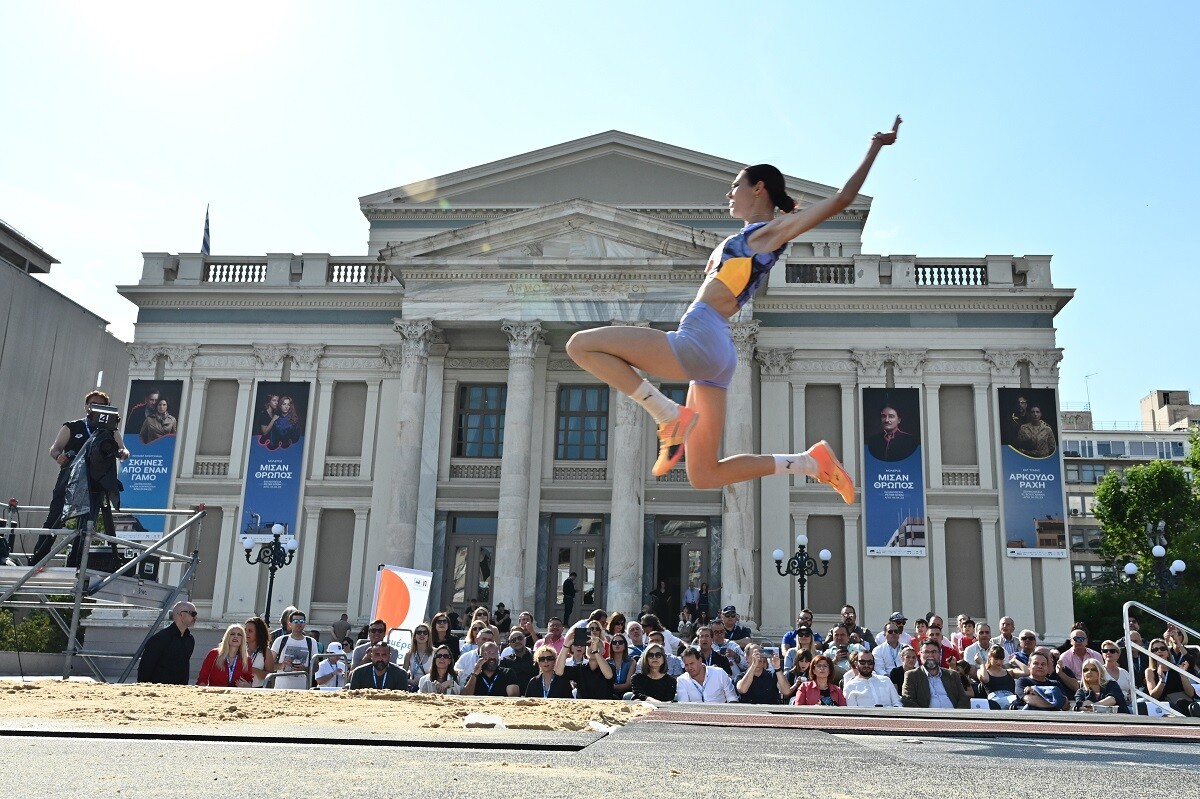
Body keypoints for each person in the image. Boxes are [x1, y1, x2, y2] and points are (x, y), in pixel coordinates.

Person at [564, 118, 901, 494]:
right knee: (704, 474)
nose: (729, 193)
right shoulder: (745, 237)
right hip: (718, 353)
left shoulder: (767, 232)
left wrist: (874, 147)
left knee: (580, 344)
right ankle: (807, 462)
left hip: (702, 336)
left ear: (758, 188)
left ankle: (667, 414)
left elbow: (841, 200)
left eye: (735, 185)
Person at [34, 389, 131, 565]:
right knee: (55, 517)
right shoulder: (72, 426)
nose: (96, 408)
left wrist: (123, 453)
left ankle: (76, 561)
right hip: (69, 480)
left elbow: (123, 449)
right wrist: (59, 457)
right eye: (93, 404)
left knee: (86, 524)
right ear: (86, 406)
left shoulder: (110, 431)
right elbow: (55, 448)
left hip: (96, 482)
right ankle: (38, 559)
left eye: (102, 405)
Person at [137, 601, 197, 684]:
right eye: (193, 614)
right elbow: (145, 668)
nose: (195, 617)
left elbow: (184, 667)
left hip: (180, 691)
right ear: (181, 614)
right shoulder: (160, 638)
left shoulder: (190, 639)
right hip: (158, 691)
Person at [901, 640, 970, 709]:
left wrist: (957, 716)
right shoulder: (912, 676)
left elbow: (963, 699)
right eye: (926, 652)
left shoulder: (952, 675)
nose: (930, 655)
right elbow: (908, 701)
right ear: (920, 655)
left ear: (939, 654)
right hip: (927, 718)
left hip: (953, 717)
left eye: (934, 652)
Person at [555, 626, 614, 699]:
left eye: (596, 646)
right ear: (585, 651)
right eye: (589, 646)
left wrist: (595, 651)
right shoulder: (580, 669)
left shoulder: (610, 667)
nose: (592, 648)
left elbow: (608, 675)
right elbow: (558, 672)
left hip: (605, 705)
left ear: (603, 652)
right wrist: (565, 646)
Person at [1144, 637, 1197, 716]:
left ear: (1168, 653)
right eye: (1155, 650)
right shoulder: (1150, 671)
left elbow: (1191, 694)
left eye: (1162, 648)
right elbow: (1153, 695)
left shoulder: (1177, 668)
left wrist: (1183, 675)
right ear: (1151, 653)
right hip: (1166, 706)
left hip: (1185, 703)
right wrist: (1162, 680)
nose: (1159, 651)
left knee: (1183, 703)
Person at [270, 609, 317, 689]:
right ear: (290, 624)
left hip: (301, 688)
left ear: (305, 624)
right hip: (281, 687)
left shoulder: (311, 642)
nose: (299, 623)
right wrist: (281, 665)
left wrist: (305, 669)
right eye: (295, 621)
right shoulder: (280, 640)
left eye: (301, 621)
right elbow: (269, 665)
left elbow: (316, 666)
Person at [1057, 628, 1102, 693]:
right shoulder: (1064, 657)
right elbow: (1067, 679)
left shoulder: (1096, 655)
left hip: (1096, 688)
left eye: (1082, 639)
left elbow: (1102, 675)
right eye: (1076, 639)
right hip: (1074, 690)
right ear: (1071, 641)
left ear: (1086, 641)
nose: (1079, 641)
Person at [976, 645, 1021, 709]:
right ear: (990, 658)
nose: (999, 662)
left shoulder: (1008, 672)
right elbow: (985, 679)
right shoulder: (982, 671)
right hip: (995, 699)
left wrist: (1015, 660)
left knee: (1022, 701)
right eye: (996, 659)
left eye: (1001, 659)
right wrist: (981, 663)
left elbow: (1026, 672)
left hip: (1011, 697)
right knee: (1019, 700)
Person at [1098, 639, 1133, 709]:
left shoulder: (1124, 672)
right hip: (1107, 706)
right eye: (1105, 651)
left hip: (1127, 705)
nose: (1108, 653)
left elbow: (1132, 690)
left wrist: (1130, 696)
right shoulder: (1099, 671)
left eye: (1112, 651)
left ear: (1118, 654)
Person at [243, 616, 276, 688]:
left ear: (258, 633)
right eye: (245, 630)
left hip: (257, 689)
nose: (246, 633)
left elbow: (271, 676)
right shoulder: (239, 649)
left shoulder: (265, 651)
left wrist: (256, 671)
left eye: (250, 631)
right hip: (237, 687)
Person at [403, 623, 434, 690]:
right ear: (414, 636)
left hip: (429, 688)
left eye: (425, 632)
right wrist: (410, 681)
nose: (422, 634)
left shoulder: (435, 653)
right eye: (419, 632)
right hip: (414, 687)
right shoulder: (409, 654)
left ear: (428, 636)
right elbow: (402, 677)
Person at [608, 634, 636, 699]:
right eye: (614, 642)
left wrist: (612, 687)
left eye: (620, 642)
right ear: (611, 646)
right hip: (609, 693)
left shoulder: (631, 662)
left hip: (625, 693)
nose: (617, 644)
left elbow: (628, 685)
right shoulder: (606, 662)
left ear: (625, 646)